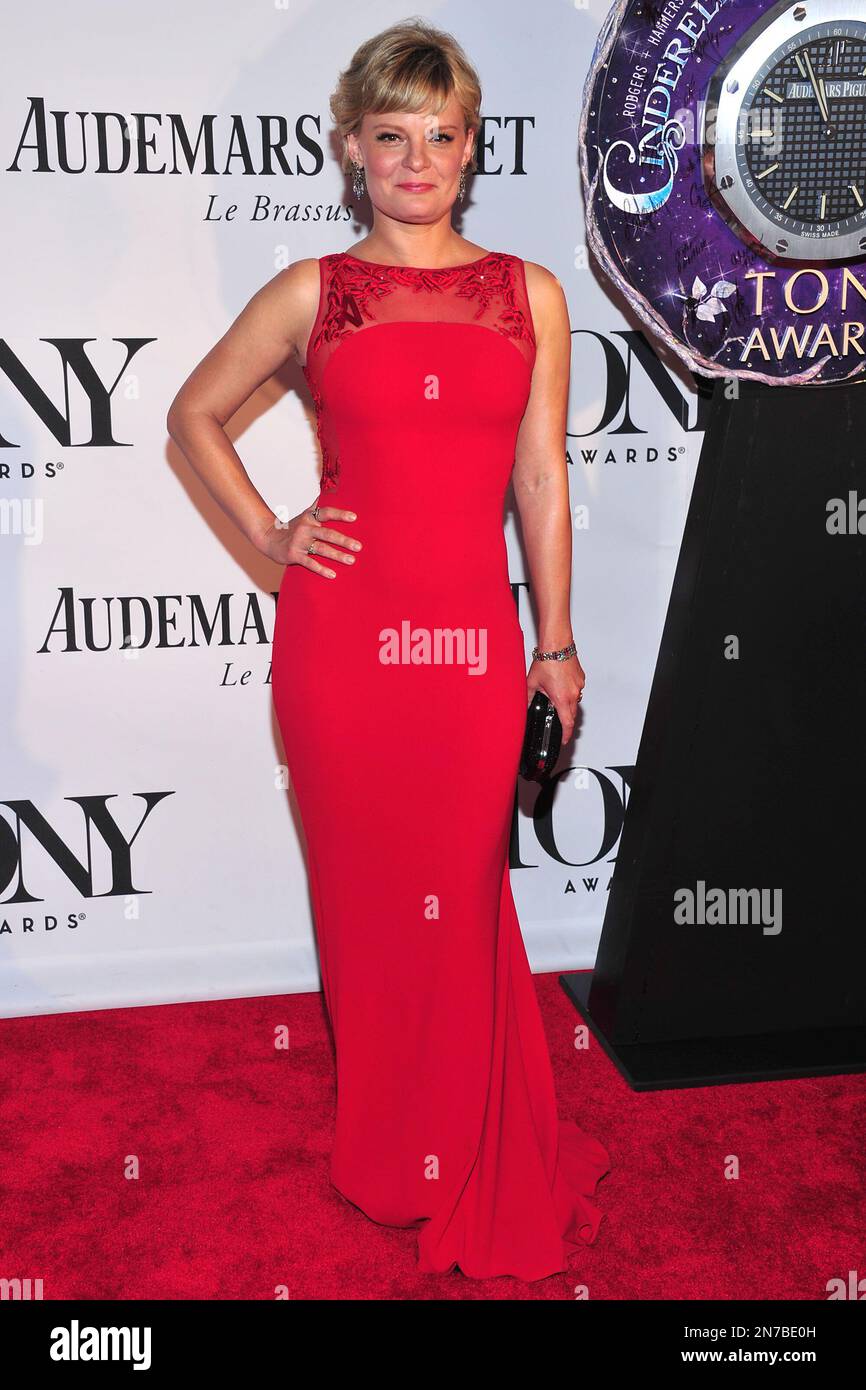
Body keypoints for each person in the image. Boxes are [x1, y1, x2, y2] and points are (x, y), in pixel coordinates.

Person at [167, 17, 610, 1282]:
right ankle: (388, 1148)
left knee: (459, 896)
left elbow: (540, 477)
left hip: (472, 654)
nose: (418, 158)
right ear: (352, 148)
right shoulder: (315, 290)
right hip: (344, 651)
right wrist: (269, 536)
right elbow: (193, 412)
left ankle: (463, 1143)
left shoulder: (531, 293)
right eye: (391, 135)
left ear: (471, 149)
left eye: (442, 134)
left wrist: (557, 647)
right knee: (366, 909)